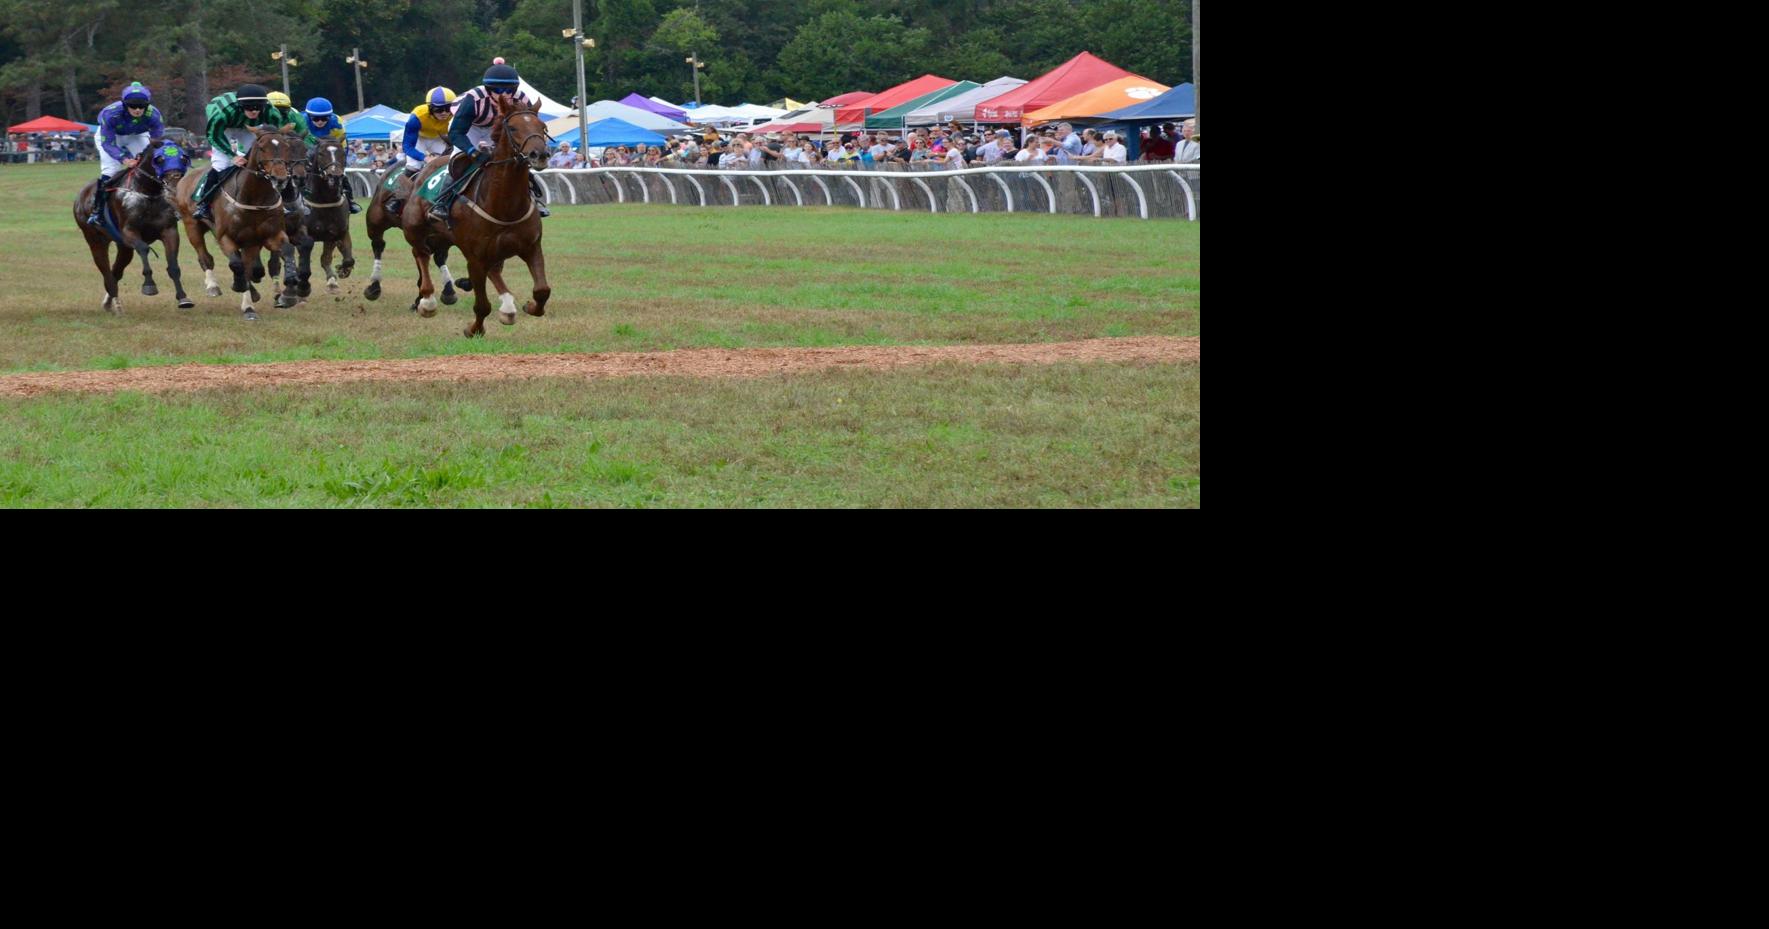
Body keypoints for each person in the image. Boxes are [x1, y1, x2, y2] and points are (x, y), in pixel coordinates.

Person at [431, 59, 549, 225]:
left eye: (509, 89)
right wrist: (472, 152)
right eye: (498, 89)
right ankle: (442, 203)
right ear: (488, 89)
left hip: (500, 127)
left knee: (518, 161)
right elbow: (456, 133)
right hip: (469, 127)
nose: (504, 93)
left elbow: (527, 126)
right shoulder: (474, 100)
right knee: (458, 161)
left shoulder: (522, 100)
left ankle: (534, 199)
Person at [191, 83, 308, 221]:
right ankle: (204, 204)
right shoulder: (223, 113)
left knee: (263, 163)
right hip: (225, 130)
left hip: (251, 128)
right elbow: (214, 136)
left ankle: (278, 202)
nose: (254, 111)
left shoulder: (272, 113)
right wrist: (233, 156)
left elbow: (274, 137)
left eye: (258, 108)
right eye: (249, 108)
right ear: (241, 106)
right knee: (221, 165)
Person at [88, 82, 165, 227]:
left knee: (151, 164)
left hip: (137, 135)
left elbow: (157, 141)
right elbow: (108, 143)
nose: (137, 110)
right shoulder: (110, 114)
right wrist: (124, 159)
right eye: (132, 105)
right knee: (110, 171)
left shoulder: (154, 115)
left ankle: (166, 203)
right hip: (110, 137)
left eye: (141, 106)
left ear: (147, 105)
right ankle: (97, 211)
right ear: (124, 104)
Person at [302, 97, 360, 212]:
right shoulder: (301, 121)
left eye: (324, 119)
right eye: (316, 118)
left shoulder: (336, 123)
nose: (320, 122)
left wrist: (340, 165)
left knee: (340, 174)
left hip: (329, 151)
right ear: (308, 116)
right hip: (308, 147)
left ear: (330, 117)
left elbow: (342, 146)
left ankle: (350, 200)